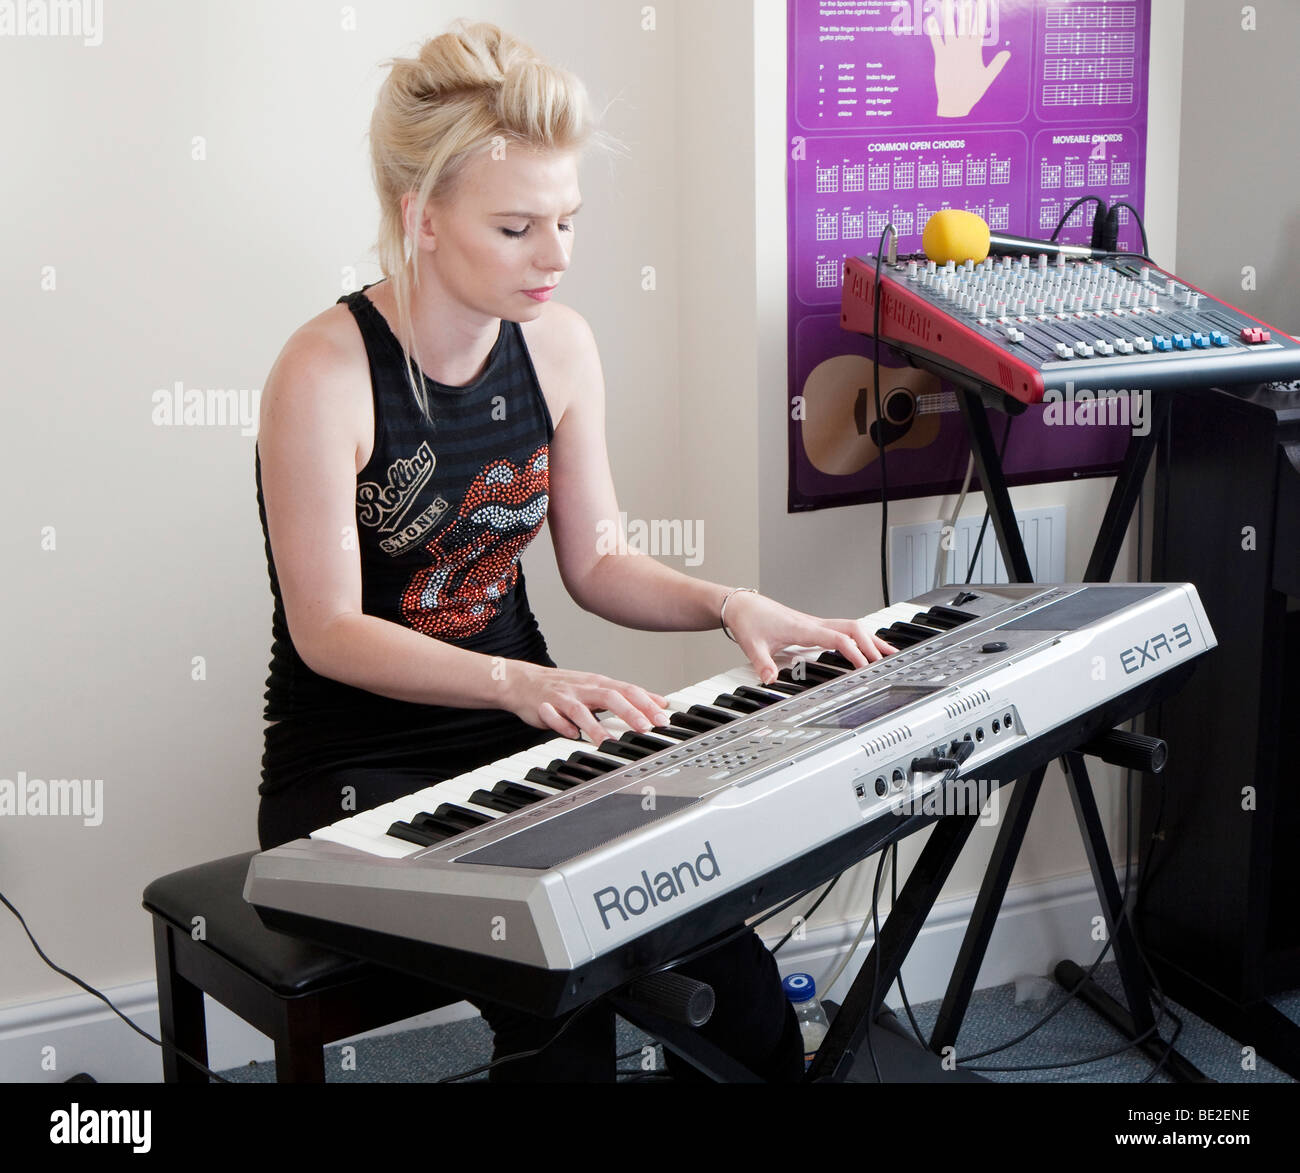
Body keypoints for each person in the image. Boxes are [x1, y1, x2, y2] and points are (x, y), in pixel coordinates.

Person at [253, 19, 895, 1082]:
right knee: (555, 1006)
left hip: (527, 735)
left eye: (567, 221)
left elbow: (598, 562)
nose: (555, 257)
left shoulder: (558, 346)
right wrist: (512, 680)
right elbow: (327, 632)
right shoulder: (321, 373)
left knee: (736, 992)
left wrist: (731, 604)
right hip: (355, 767)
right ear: (420, 218)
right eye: (516, 229)